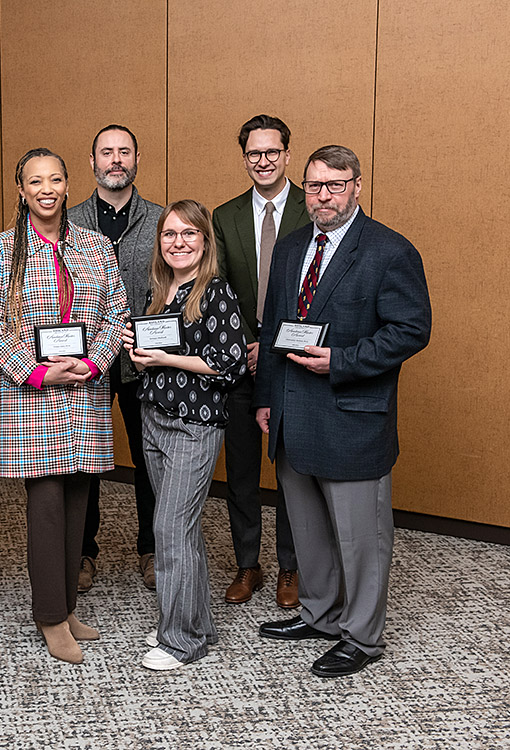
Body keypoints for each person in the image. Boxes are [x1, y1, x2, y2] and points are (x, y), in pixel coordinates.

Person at [255, 145, 431, 677]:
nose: (323, 195)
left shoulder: (389, 250)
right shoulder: (290, 248)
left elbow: (411, 330)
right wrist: (265, 397)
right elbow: (273, 327)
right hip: (291, 412)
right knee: (308, 532)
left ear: (356, 186)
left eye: (335, 185)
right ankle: (320, 615)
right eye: (314, 185)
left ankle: (362, 637)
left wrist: (342, 360)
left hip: (352, 414)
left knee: (361, 540)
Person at [0, 148, 128, 664]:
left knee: (77, 504)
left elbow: (117, 313)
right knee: (46, 509)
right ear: (21, 190)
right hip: (31, 399)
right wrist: (37, 372)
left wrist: (94, 362)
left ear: (67, 185)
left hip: (84, 391)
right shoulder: (1, 249)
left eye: (55, 179)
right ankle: (49, 616)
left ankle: (67, 606)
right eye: (35, 181)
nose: (47, 189)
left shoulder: (96, 246)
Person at [122, 200, 249, 671]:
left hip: (192, 426)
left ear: (205, 241)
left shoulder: (214, 292)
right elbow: (152, 353)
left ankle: (181, 641)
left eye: (189, 233)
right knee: (182, 530)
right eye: (169, 234)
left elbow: (229, 363)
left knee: (170, 529)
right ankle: (197, 625)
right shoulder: (160, 290)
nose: (178, 242)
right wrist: (138, 354)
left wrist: (164, 359)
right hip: (154, 417)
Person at [213, 114, 311, 608]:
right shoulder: (224, 215)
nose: (264, 161)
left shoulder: (312, 207)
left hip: (294, 362)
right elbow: (219, 289)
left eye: (273, 151)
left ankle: (291, 566)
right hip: (242, 360)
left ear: (288, 155)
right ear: (244, 158)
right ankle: (247, 563)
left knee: (292, 471)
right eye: (254, 153)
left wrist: (272, 346)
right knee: (242, 472)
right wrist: (249, 344)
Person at [68, 124, 162, 593]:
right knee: (83, 458)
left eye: (124, 151)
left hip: (144, 361)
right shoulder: (67, 221)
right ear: (92, 162)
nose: (116, 160)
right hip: (84, 361)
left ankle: (151, 549)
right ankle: (83, 551)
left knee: (149, 458)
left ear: (137, 159)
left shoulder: (162, 220)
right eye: (107, 152)